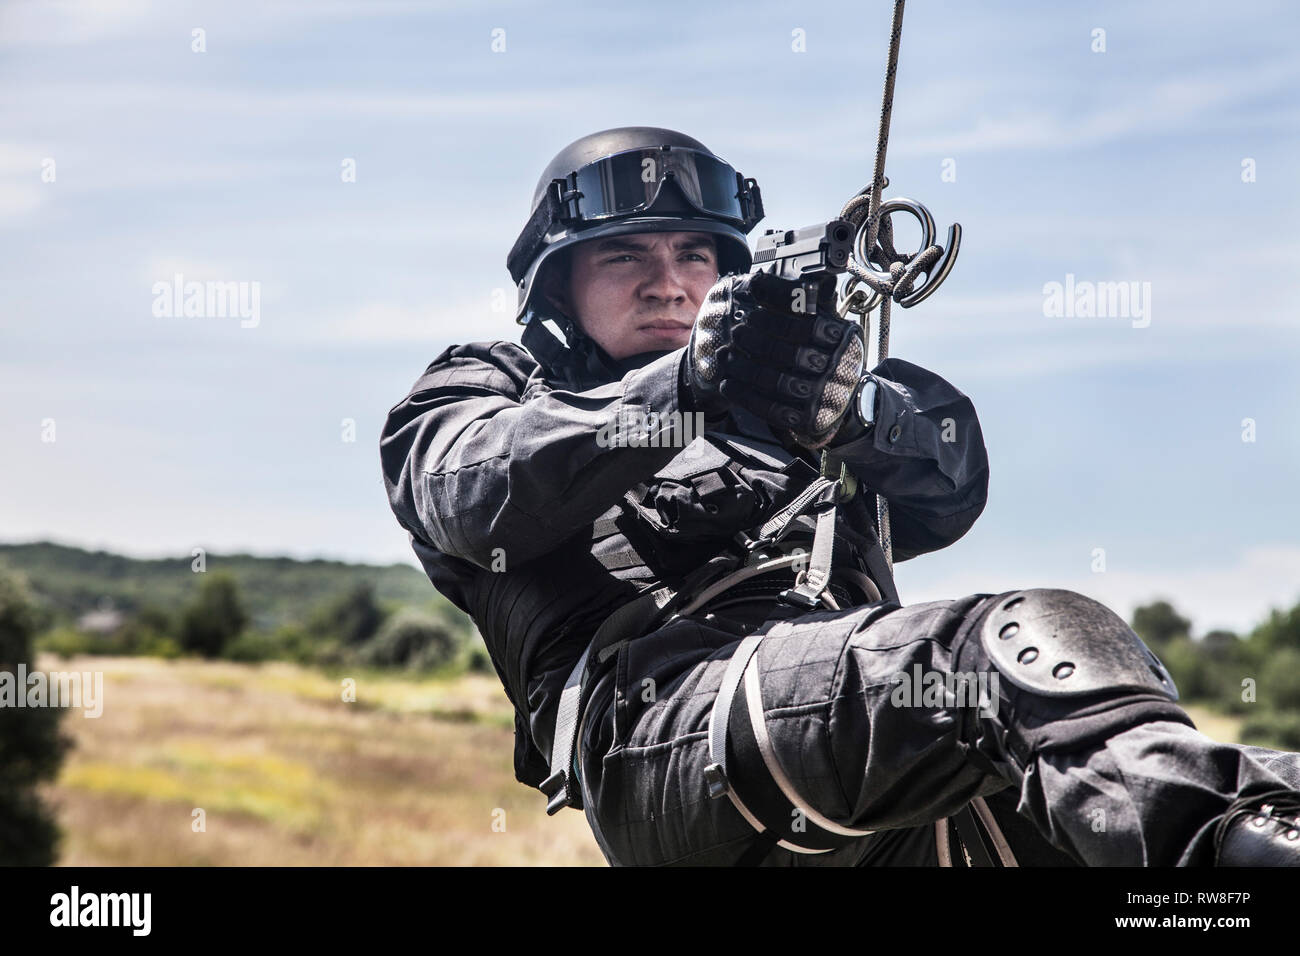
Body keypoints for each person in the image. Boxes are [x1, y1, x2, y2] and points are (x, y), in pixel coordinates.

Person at [380, 126, 1300, 866]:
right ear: (559, 282)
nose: (669, 282)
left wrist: (849, 408)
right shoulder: (489, 388)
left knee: (1215, 781)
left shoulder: (776, 386)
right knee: (1013, 645)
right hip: (668, 743)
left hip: (872, 759)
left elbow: (953, 481)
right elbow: (473, 490)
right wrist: (686, 386)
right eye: (625, 256)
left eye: (694, 253)